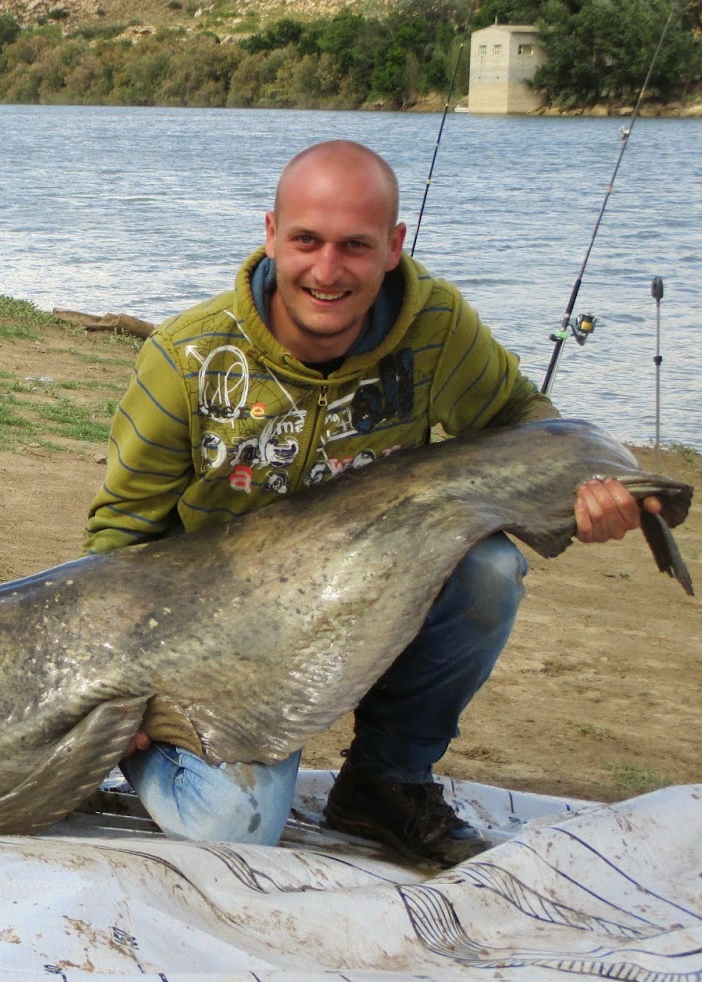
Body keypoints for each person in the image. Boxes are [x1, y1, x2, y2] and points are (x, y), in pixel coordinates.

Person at [84, 140, 657, 867]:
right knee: (229, 829)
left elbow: (519, 418)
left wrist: (586, 485)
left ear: (393, 246)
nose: (327, 271)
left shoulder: (436, 327)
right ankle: (133, 751)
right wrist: (119, 696)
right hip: (214, 641)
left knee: (487, 569)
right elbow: (120, 537)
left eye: (354, 245)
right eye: (307, 241)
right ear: (271, 235)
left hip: (373, 594)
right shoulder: (186, 359)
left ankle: (386, 779)